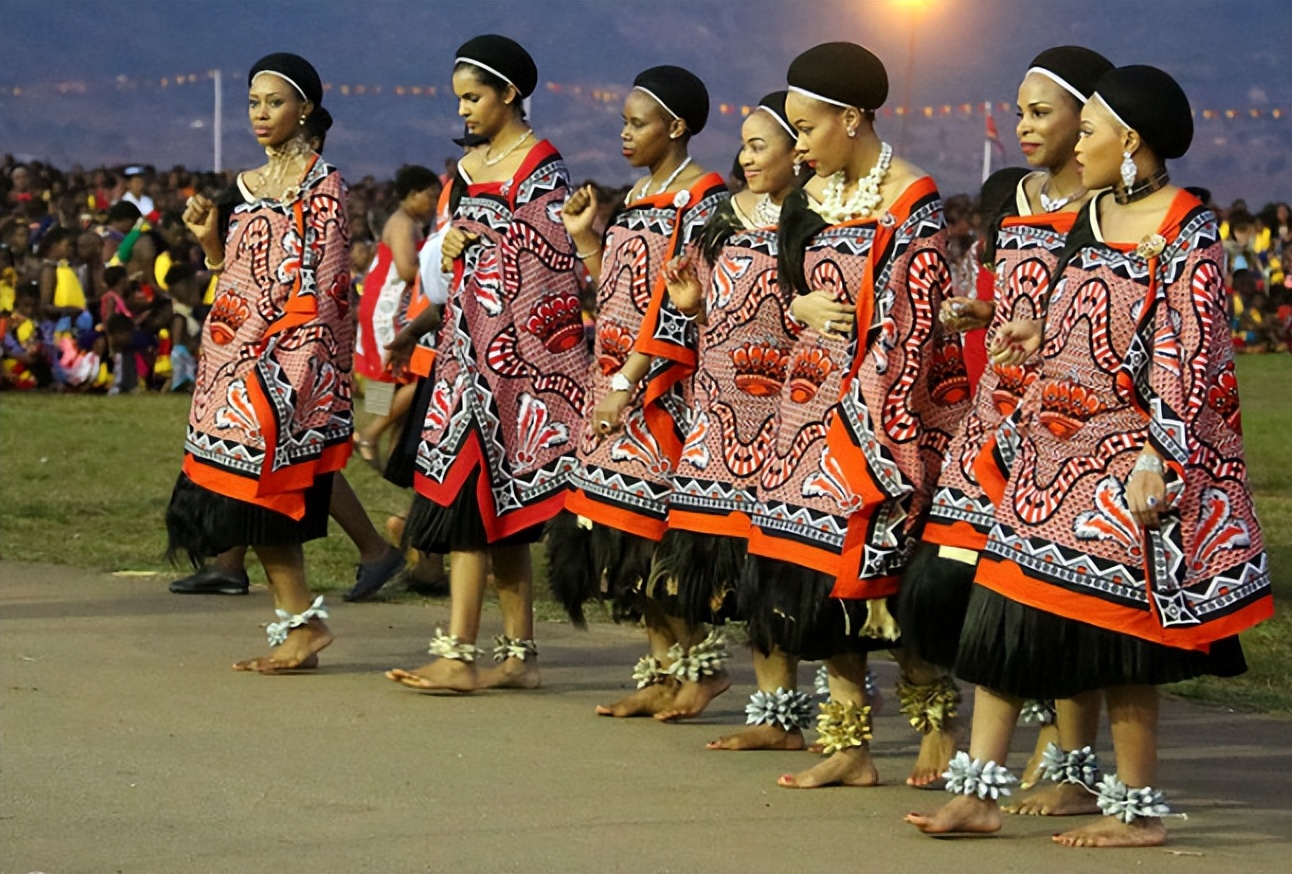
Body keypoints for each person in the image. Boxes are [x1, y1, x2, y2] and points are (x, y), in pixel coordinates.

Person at [908, 65, 1274, 848]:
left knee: (1119, 635)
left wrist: (1158, 455)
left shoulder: (1185, 229)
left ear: (1129, 140)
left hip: (1126, 456)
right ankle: (978, 795)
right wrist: (1031, 332)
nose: (1080, 151)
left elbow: (1192, 354)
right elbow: (1075, 313)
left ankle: (1135, 807)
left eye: (1093, 133)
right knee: (1001, 608)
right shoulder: (1095, 215)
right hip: (1048, 448)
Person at [740, 42, 966, 790]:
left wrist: (865, 435)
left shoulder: (912, 201)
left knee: (884, 580)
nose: (797, 145)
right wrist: (798, 302)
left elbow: (908, 326)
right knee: (813, 582)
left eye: (807, 128)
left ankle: (937, 723)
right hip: (801, 412)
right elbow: (787, 283)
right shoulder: (809, 196)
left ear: (853, 117)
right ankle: (850, 742)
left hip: (880, 417)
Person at [898, 46, 1114, 794]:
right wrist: (986, 311)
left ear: (1091, 117)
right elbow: (1019, 297)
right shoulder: (1014, 196)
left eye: (1040, 112)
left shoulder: (1107, 206)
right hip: (991, 421)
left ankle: (1064, 757)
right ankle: (960, 729)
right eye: (1020, 110)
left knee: (1051, 597)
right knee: (939, 584)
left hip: (1066, 426)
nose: (1024, 125)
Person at [384, 34, 591, 693]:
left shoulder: (543, 169)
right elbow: (447, 266)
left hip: (519, 366)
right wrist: (450, 254)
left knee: (479, 505)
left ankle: (458, 653)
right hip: (465, 358)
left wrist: (489, 250)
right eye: (460, 100)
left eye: (474, 97)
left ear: (509, 93)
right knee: (485, 510)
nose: (465, 110)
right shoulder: (471, 170)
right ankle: (518, 655)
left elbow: (554, 268)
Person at [552, 65, 729, 719]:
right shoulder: (637, 196)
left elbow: (680, 309)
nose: (624, 134)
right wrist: (587, 242)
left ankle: (701, 667)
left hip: (662, 393)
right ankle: (662, 670)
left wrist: (629, 384)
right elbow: (621, 292)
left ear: (676, 127)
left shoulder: (702, 201)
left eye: (637, 122)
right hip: (616, 386)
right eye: (624, 121)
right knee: (615, 538)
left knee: (651, 536)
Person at [166, 52, 353, 672]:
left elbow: (327, 288)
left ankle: (304, 625)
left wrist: (290, 364)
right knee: (249, 492)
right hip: (232, 359)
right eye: (253, 103)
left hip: (294, 361)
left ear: (305, 108)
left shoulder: (323, 185)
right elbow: (233, 280)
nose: (261, 114)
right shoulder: (245, 188)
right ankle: (300, 626)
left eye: (274, 102)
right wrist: (208, 243)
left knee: (267, 486)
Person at [658, 91, 821, 746]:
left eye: (761, 145)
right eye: (745, 145)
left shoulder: (813, 221)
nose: (747, 157)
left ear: (796, 152)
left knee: (767, 571)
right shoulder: (726, 215)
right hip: (717, 409)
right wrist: (693, 305)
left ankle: (779, 715)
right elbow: (714, 315)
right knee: (698, 560)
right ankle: (716, 682)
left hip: (783, 413)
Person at [353, 164, 441, 470]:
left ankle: (385, 454)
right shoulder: (403, 222)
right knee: (411, 377)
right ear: (414, 195)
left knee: (390, 382)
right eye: (430, 196)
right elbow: (405, 269)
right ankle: (370, 434)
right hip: (387, 309)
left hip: (391, 308)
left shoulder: (410, 223)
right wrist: (442, 279)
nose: (433, 203)